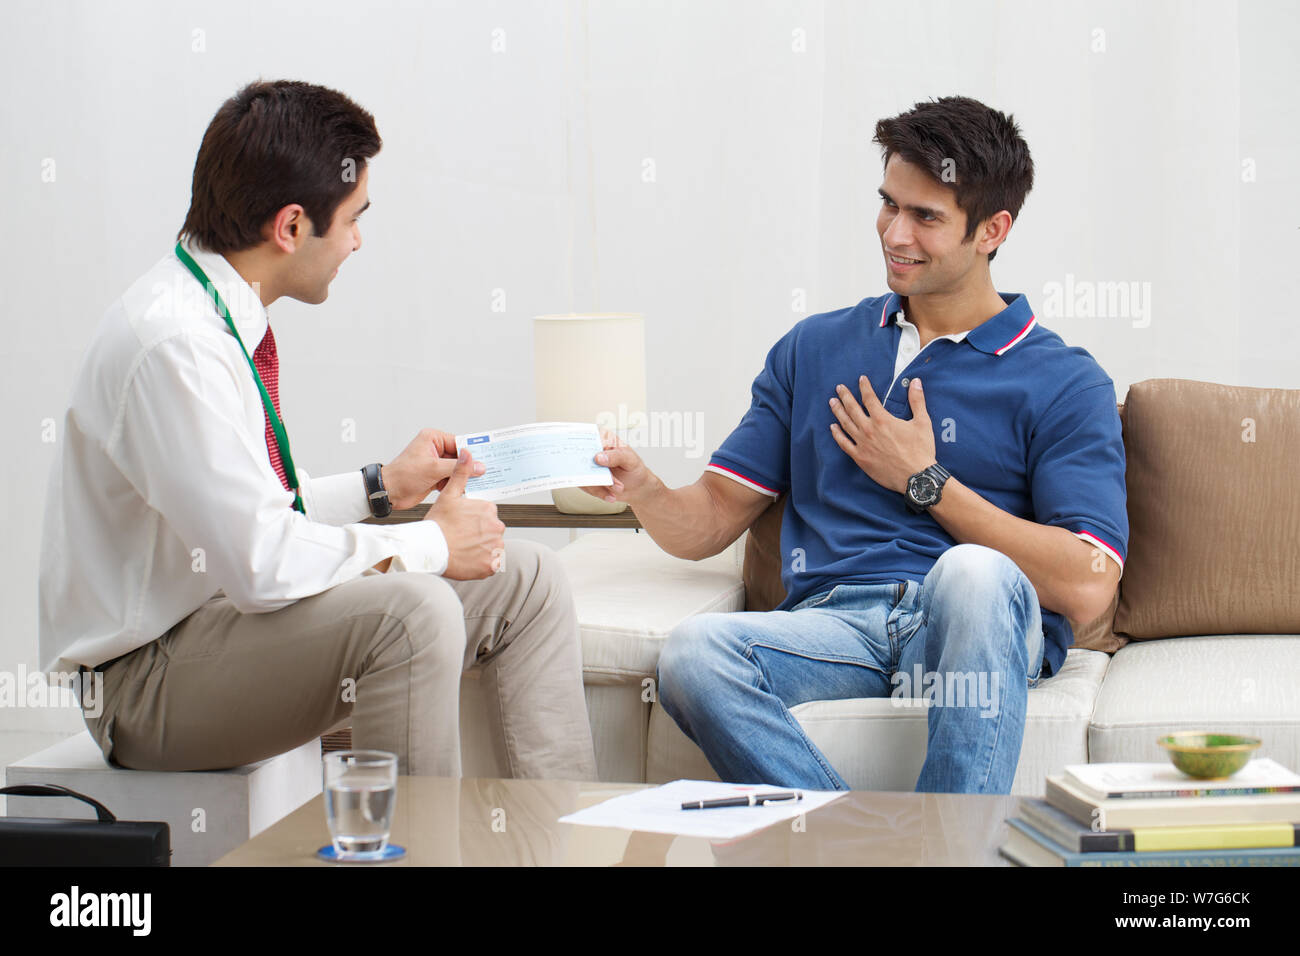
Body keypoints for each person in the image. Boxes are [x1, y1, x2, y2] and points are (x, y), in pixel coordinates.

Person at [38, 80, 597, 781]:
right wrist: (431, 541)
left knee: (530, 579)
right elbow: (262, 564)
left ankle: (562, 844)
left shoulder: (217, 312)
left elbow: (254, 517)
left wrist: (382, 488)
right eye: (354, 218)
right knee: (412, 612)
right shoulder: (174, 345)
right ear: (292, 226)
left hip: (213, 625)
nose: (359, 241)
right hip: (144, 682)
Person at [580, 96, 1127, 794]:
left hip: (967, 626)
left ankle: (947, 845)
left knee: (972, 573)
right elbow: (712, 517)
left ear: (993, 229)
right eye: (888, 204)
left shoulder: (1063, 378)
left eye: (925, 217)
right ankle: (859, 846)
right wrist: (645, 490)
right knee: (693, 655)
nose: (894, 233)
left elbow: (1086, 585)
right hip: (837, 628)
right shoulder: (815, 348)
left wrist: (924, 481)